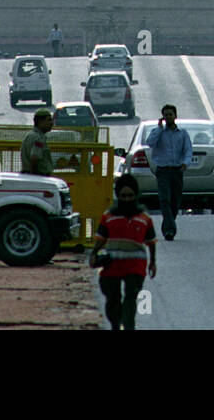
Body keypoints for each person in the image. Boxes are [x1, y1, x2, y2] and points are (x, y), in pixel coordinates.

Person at [90, 174, 157, 330]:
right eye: (123, 196)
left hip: (135, 267)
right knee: (112, 300)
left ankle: (128, 326)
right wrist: (94, 254)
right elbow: (101, 238)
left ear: (136, 196)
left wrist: (153, 262)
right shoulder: (109, 217)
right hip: (112, 265)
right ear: (118, 196)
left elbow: (151, 242)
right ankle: (115, 324)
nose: (127, 199)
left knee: (130, 298)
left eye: (130, 196)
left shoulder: (144, 219)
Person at [146, 105, 193, 240]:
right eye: (165, 115)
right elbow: (150, 143)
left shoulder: (182, 133)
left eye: (170, 114)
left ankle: (168, 223)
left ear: (175, 116)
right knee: (165, 198)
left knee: (175, 200)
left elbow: (188, 149)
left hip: (177, 170)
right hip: (163, 170)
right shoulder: (159, 132)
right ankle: (170, 230)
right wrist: (159, 128)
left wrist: (186, 162)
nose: (168, 117)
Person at [20, 109, 54, 175]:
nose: (52, 123)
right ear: (40, 121)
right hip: (39, 176)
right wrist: (35, 176)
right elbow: (34, 157)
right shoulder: (38, 138)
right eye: (49, 120)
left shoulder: (30, 135)